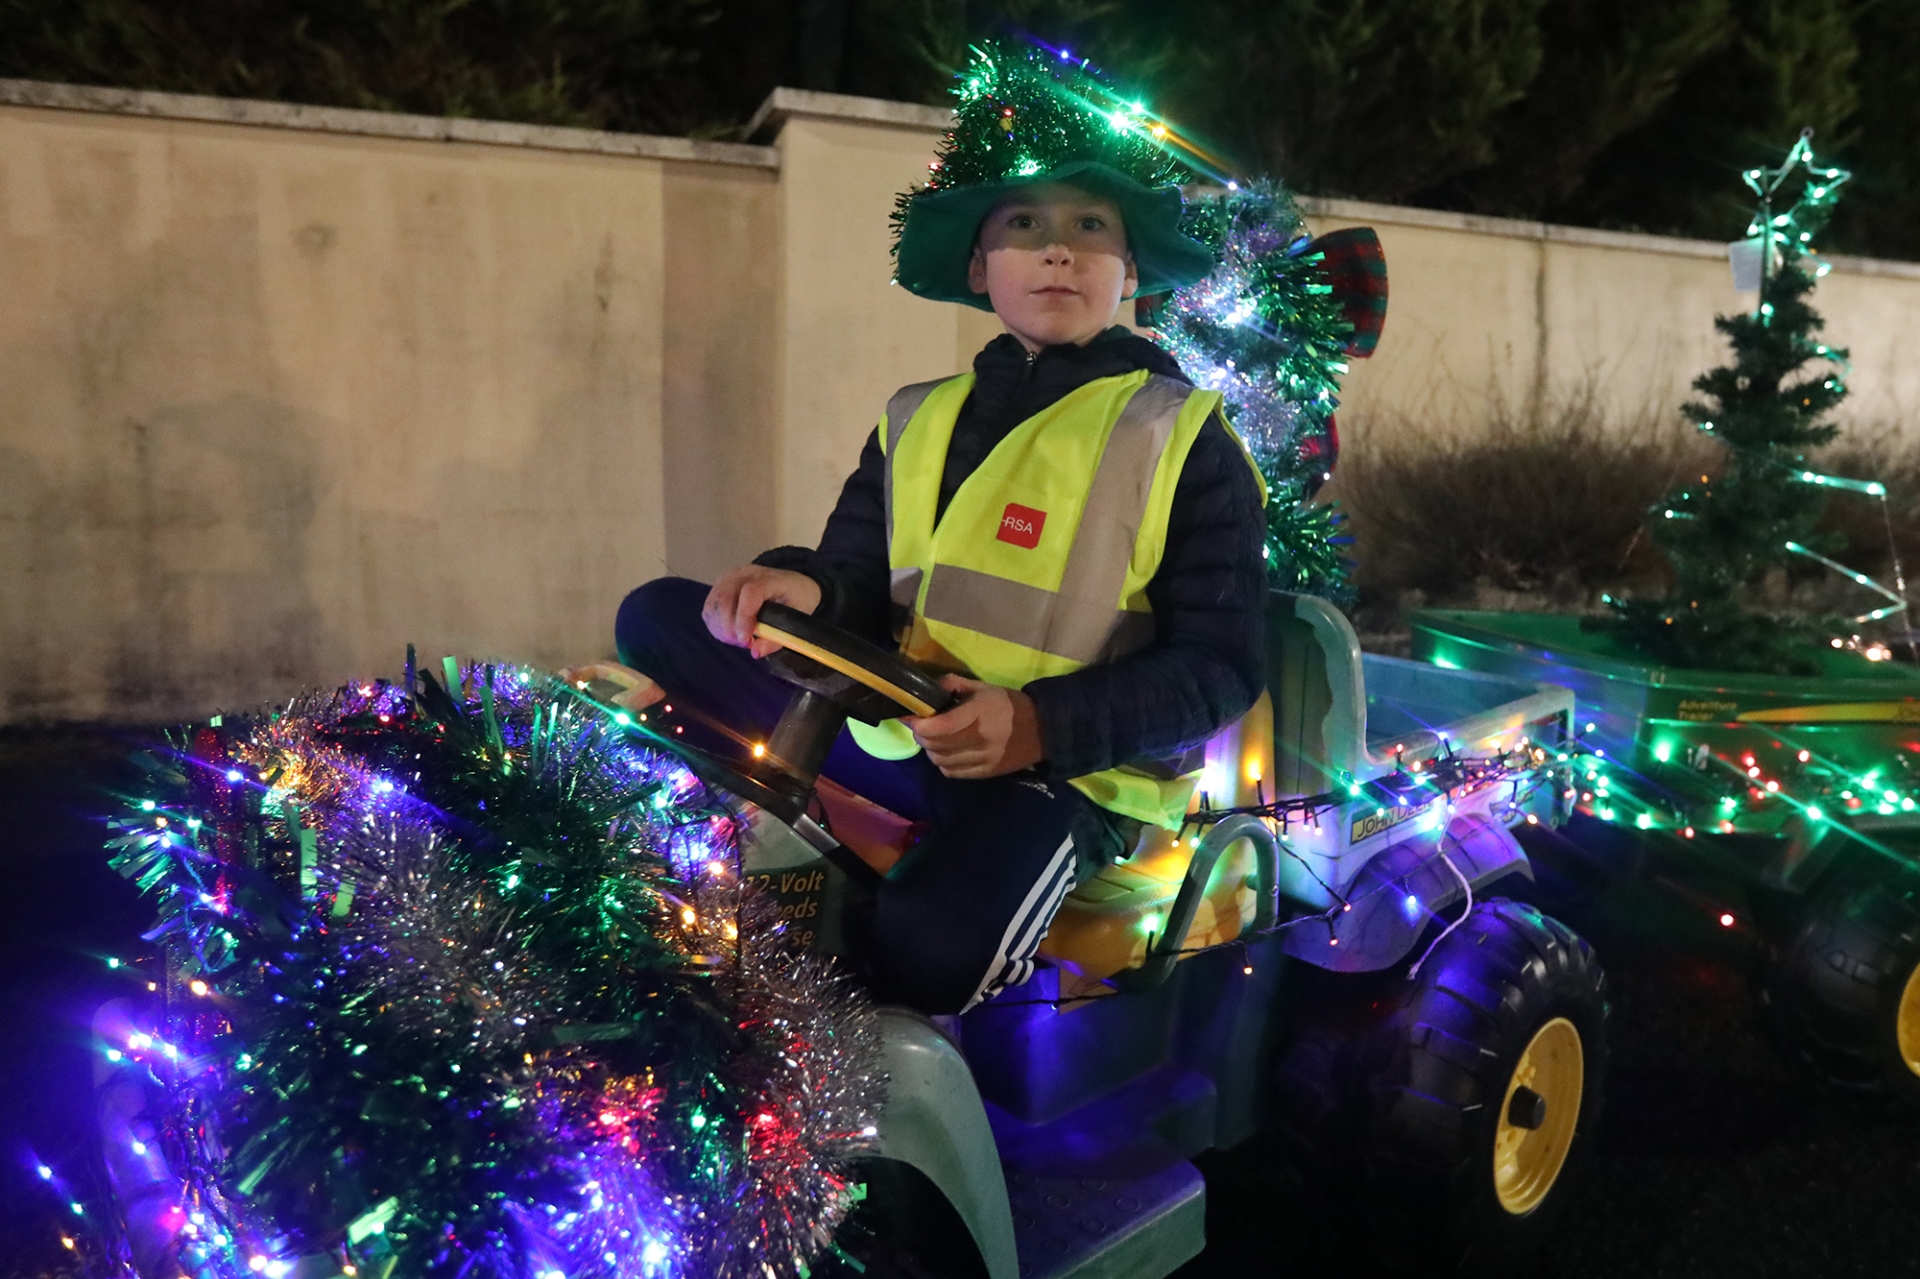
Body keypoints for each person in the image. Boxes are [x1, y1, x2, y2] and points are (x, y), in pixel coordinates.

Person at [570, 45, 1268, 1015]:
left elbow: (1223, 663)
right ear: (982, 265)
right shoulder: (916, 414)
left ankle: (807, 1001)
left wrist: (1036, 726)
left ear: (1132, 268)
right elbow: (856, 574)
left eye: (1091, 228)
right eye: (1026, 225)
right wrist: (796, 590)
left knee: (930, 950)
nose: (1059, 250)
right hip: (893, 723)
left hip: (1065, 783)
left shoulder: (1185, 436)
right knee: (657, 613)